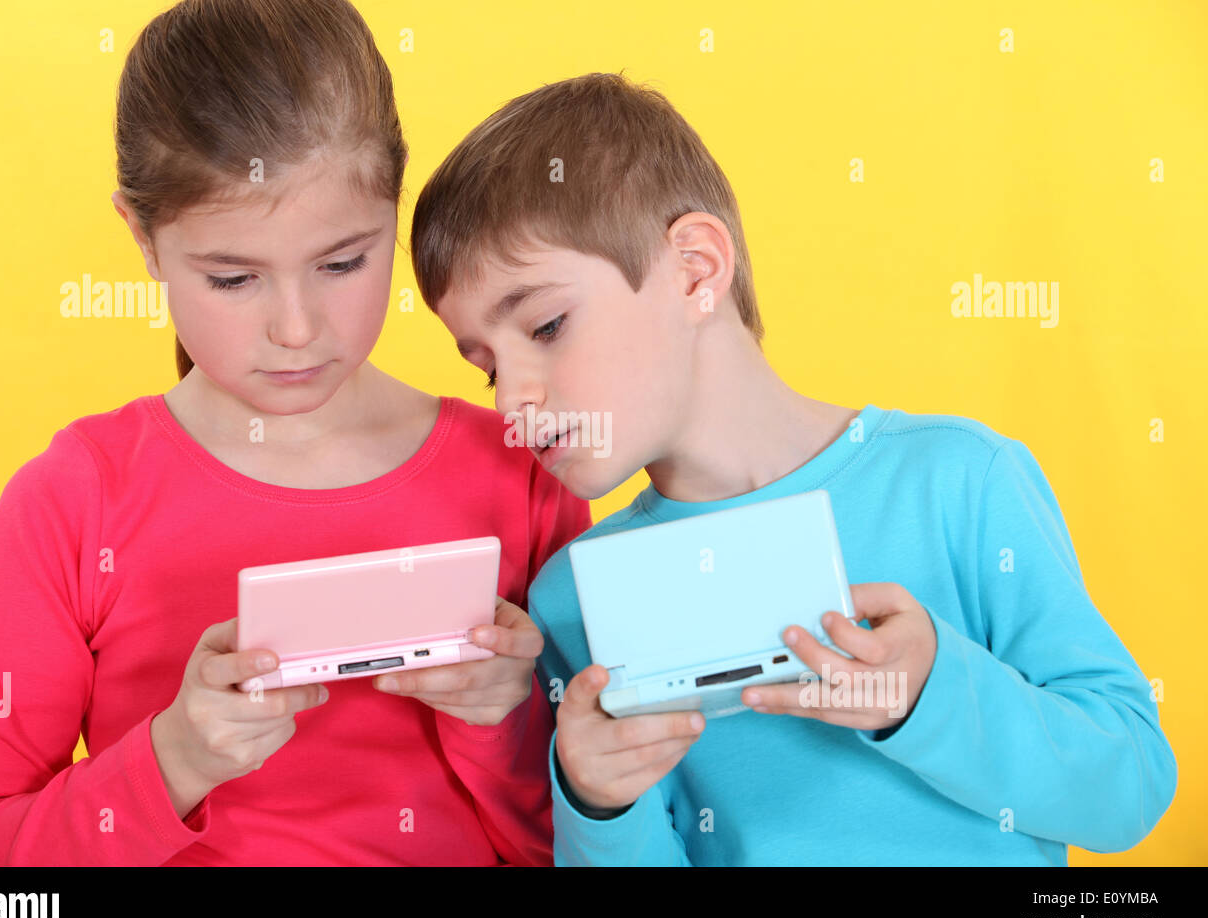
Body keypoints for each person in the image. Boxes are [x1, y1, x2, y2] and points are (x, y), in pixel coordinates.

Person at [409, 71, 1177, 865]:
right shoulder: (574, 598)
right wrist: (601, 804)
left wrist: (932, 694)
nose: (511, 403)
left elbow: (1128, 791)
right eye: (486, 368)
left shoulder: (960, 483)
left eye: (545, 325)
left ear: (697, 270)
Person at [0, 0, 589, 866]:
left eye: (343, 262)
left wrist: (507, 725)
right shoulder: (74, 501)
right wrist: (172, 762)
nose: (298, 329)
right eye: (232, 279)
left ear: (395, 205)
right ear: (144, 242)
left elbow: (613, 836)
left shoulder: (524, 474)